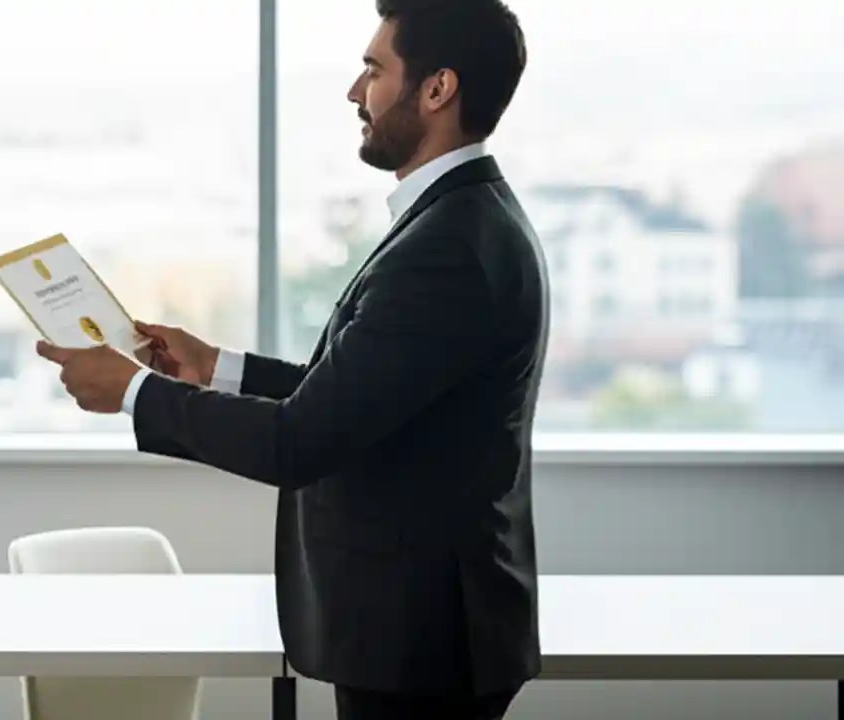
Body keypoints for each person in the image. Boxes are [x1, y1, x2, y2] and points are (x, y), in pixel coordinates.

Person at [36, 1, 547, 717]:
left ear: (437, 89)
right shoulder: (460, 221)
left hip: (422, 640)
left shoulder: (447, 247)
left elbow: (300, 441)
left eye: (374, 69)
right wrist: (214, 367)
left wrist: (134, 392)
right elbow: (353, 400)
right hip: (421, 632)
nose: (354, 92)